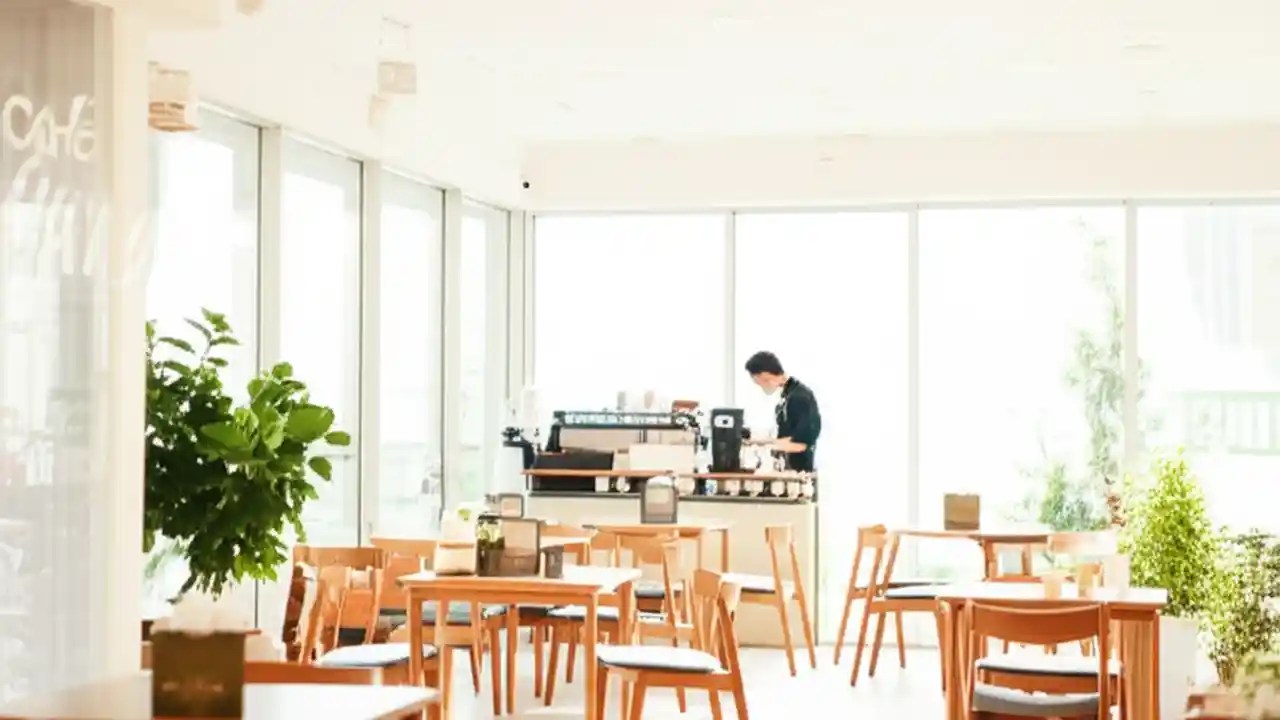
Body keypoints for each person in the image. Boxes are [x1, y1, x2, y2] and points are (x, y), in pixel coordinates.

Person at [743, 351, 821, 472]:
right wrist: (756, 441)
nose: (762, 387)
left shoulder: (799, 397)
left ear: (765, 375)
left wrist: (768, 447)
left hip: (798, 473)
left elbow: (801, 443)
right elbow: (787, 436)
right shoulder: (788, 395)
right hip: (788, 468)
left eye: (760, 383)